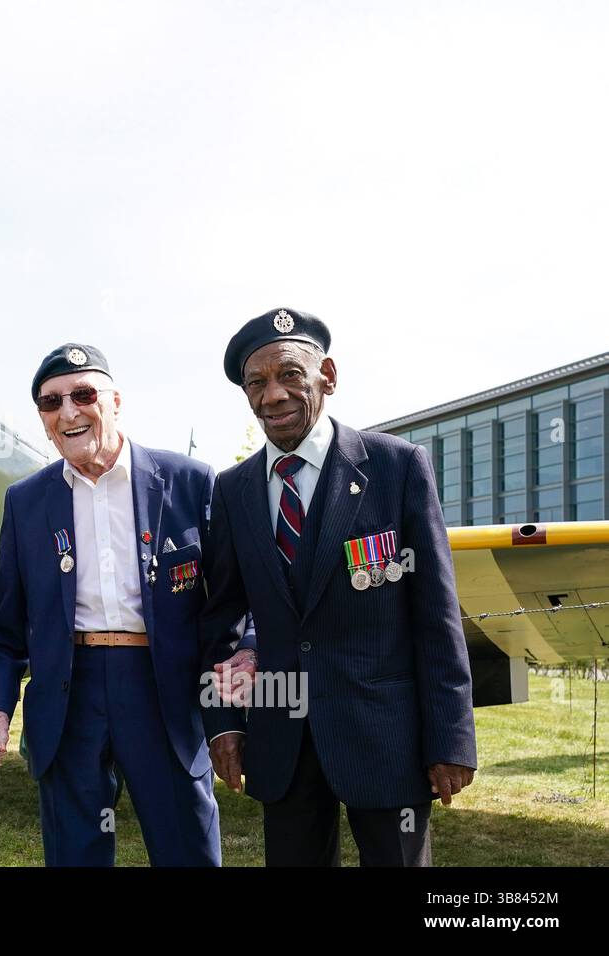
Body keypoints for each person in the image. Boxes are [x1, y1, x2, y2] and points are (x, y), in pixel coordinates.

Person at [200, 307, 476, 866]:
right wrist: (223, 722)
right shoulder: (232, 490)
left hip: (386, 738)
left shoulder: (397, 467)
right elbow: (221, 621)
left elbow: (436, 615)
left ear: (327, 374)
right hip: (282, 742)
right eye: (257, 383)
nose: (273, 395)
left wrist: (450, 739)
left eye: (289, 375)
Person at [0, 343, 224, 866]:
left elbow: (229, 602)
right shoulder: (26, 501)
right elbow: (6, 628)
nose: (68, 412)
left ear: (116, 401)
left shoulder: (191, 481)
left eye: (83, 394)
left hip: (161, 689)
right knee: (75, 854)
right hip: (68, 695)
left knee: (187, 848)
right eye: (50, 402)